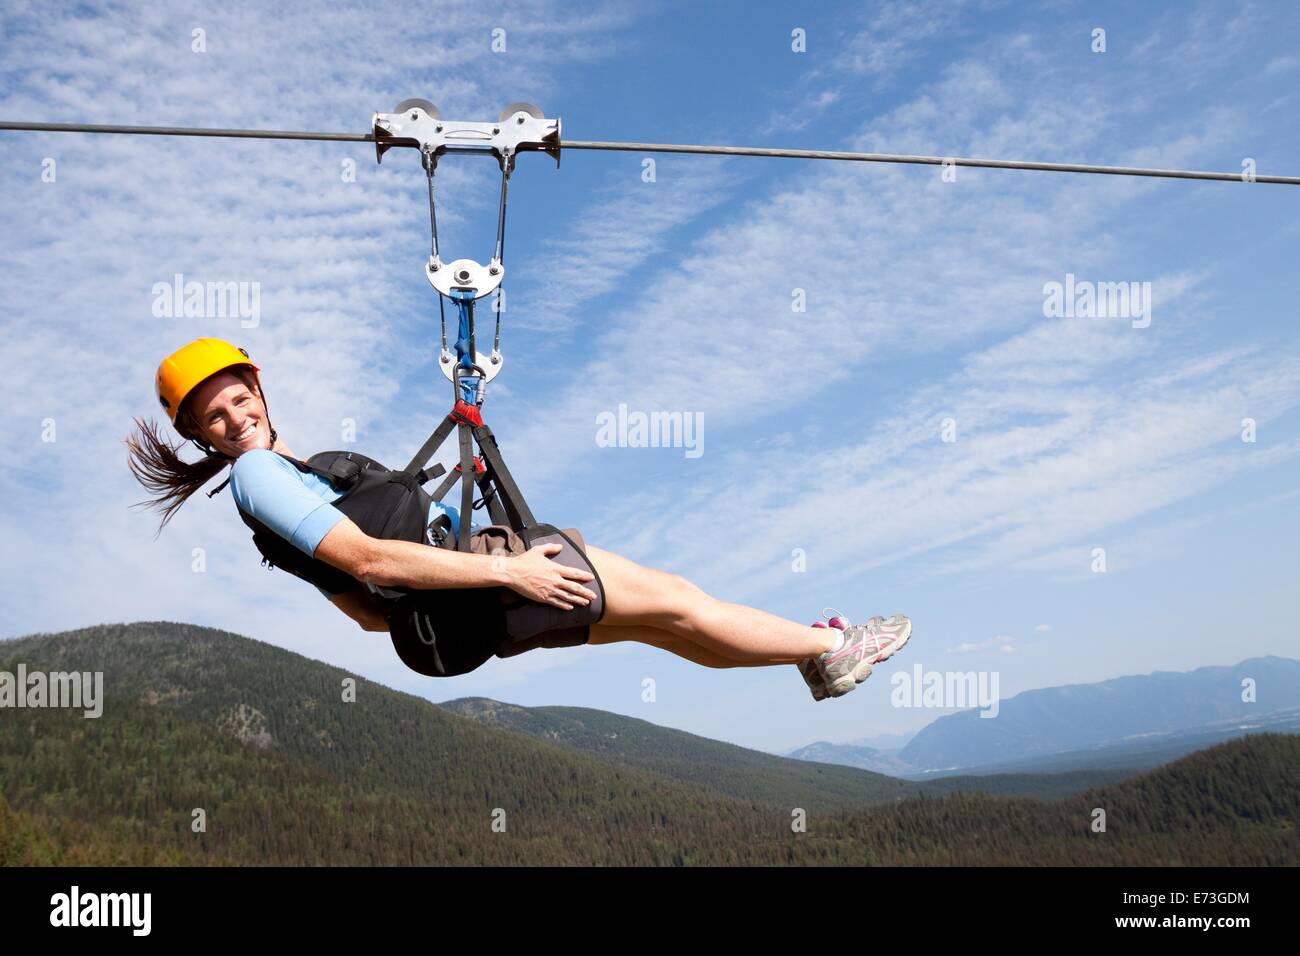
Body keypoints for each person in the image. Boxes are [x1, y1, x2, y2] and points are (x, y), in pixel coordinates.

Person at [125, 338, 911, 697]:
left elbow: (369, 617)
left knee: (663, 624)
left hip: (477, 607)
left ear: (258, 391)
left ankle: (814, 656)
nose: (233, 418)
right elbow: (368, 564)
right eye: (212, 416)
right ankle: (830, 647)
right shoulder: (261, 478)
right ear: (197, 434)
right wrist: (506, 568)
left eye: (237, 398)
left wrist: (462, 579)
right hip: (493, 578)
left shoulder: (282, 493)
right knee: (674, 600)